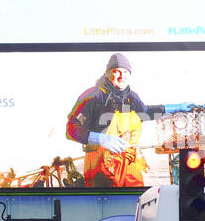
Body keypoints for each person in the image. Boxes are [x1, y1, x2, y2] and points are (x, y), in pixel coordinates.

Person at [65, 53, 162, 187]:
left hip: (130, 166)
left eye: (125, 72)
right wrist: (100, 138)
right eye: (116, 72)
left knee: (135, 203)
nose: (122, 76)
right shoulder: (92, 96)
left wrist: (175, 109)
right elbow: (71, 129)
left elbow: (145, 112)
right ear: (106, 74)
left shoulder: (131, 97)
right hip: (102, 170)